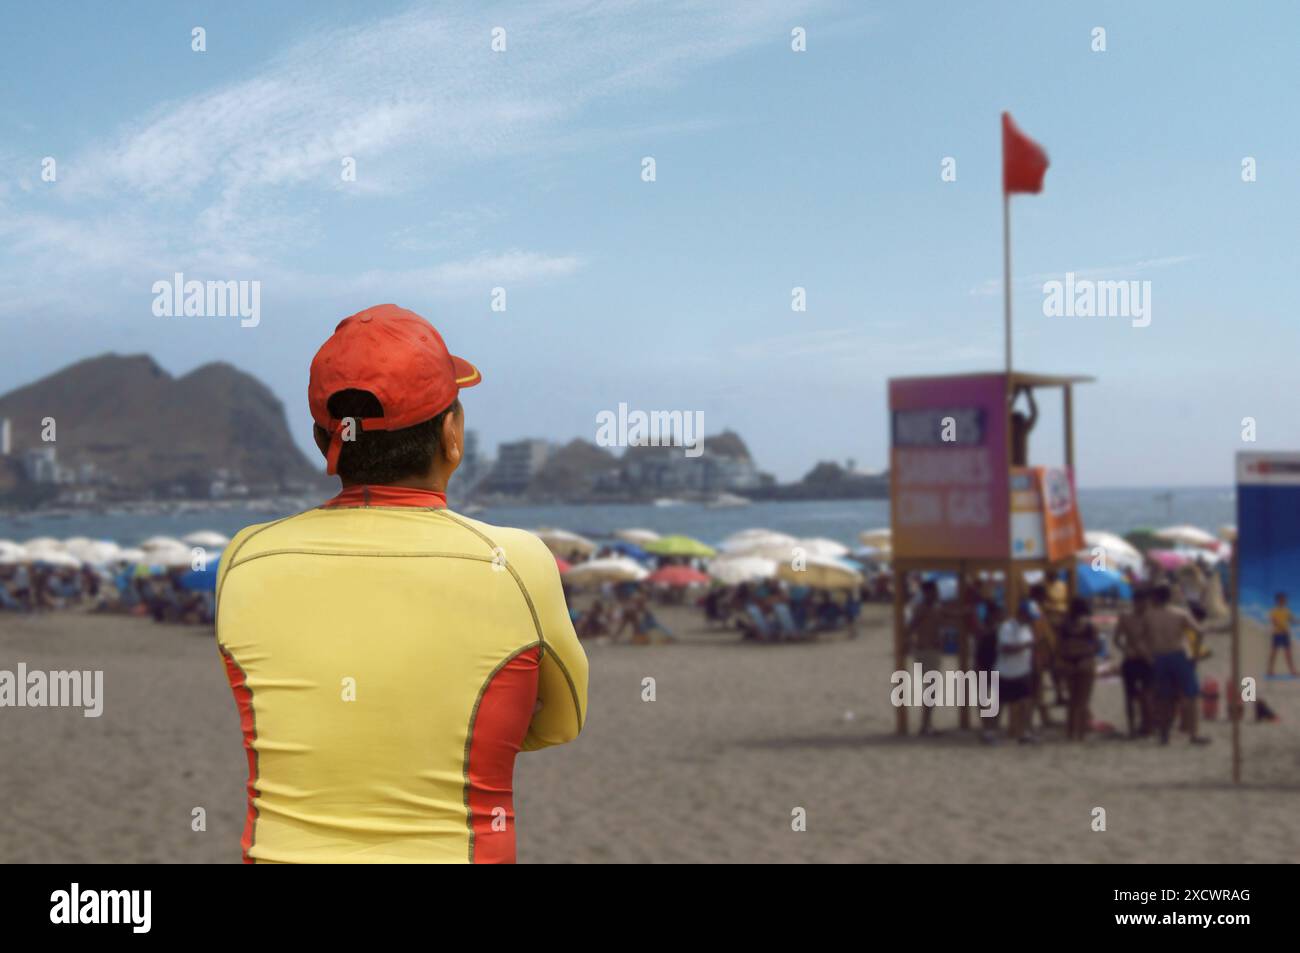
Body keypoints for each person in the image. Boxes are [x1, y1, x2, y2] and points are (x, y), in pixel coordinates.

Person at [215, 304, 588, 864]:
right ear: (451, 435)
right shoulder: (515, 562)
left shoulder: (243, 558)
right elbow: (562, 722)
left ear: (325, 440)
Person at [1145, 584, 1209, 745]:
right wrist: (1195, 654)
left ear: (1155, 598)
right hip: (1178, 654)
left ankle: (1164, 734)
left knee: (1163, 697)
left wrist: (1148, 655)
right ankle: (1194, 734)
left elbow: (1142, 637)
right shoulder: (1180, 614)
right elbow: (1199, 631)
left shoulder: (1149, 616)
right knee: (1191, 695)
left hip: (1159, 656)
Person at [906, 580, 945, 736]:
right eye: (934, 591)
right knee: (931, 689)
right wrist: (910, 643)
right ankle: (925, 724)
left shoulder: (935, 608)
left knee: (932, 689)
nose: (937, 594)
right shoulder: (922, 609)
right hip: (926, 650)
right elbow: (911, 627)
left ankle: (927, 723)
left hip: (932, 650)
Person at [1113, 588, 1154, 737]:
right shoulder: (1125, 617)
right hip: (1131, 660)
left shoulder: (1151, 618)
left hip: (1146, 659)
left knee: (1147, 695)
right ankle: (1132, 727)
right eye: (1141, 603)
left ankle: (1147, 726)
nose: (1143, 606)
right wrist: (1126, 649)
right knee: (1130, 695)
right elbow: (1116, 640)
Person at [1057, 597, 1099, 741]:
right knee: (1082, 700)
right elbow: (1096, 646)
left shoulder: (1064, 626)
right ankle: (1080, 733)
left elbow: (1060, 646)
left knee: (1072, 700)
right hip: (1085, 661)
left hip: (1068, 662)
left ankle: (1070, 731)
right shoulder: (1089, 626)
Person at [996, 600, 1037, 742]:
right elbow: (1005, 648)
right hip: (1006, 671)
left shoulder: (1027, 628)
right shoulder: (1007, 627)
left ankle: (1024, 732)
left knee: (1026, 703)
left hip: (1023, 671)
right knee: (999, 704)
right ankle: (992, 731)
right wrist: (1024, 646)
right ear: (1022, 614)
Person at [1267, 592, 1299, 677]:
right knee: (1274, 653)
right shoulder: (1274, 611)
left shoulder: (1286, 611)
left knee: (1288, 654)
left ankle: (1292, 670)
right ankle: (1270, 670)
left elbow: (1291, 620)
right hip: (1277, 634)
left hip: (1285, 635)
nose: (1285, 601)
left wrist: (1298, 621)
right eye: (1283, 599)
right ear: (1278, 601)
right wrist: (1283, 628)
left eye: (1285, 600)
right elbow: (1274, 622)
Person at [1009, 385, 1037, 467]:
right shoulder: (1021, 429)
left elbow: (1034, 414)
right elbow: (1034, 414)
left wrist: (1017, 395)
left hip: (1018, 466)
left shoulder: (1021, 429)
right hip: (1016, 466)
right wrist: (1029, 395)